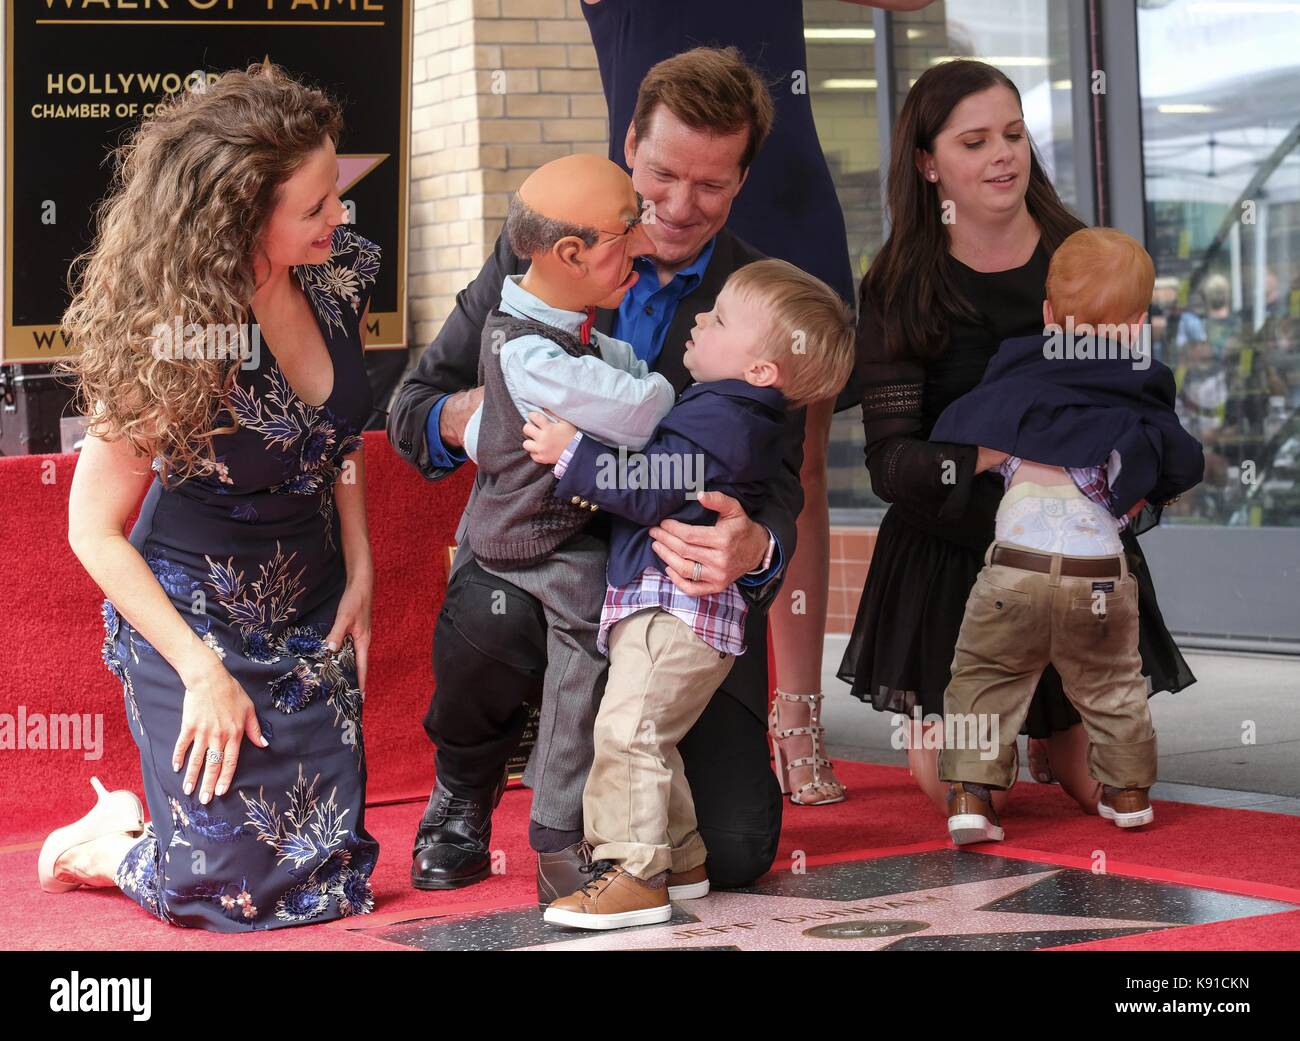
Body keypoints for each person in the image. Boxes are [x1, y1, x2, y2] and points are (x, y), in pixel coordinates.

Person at [388, 47, 800, 901]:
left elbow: (782, 479)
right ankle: (467, 784)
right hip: (534, 547)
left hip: (674, 583)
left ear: (744, 179)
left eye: (712, 185)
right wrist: (472, 419)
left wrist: (755, 547)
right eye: (660, 176)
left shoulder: (761, 297)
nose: (680, 207)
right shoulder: (528, 260)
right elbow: (409, 406)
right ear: (628, 146)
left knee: (734, 850)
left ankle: (597, 771)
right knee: (494, 611)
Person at [42, 61, 381, 930]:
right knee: (231, 893)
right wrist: (200, 668)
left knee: (329, 879)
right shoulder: (176, 329)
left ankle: (153, 823)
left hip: (309, 598)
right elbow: (92, 529)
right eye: (313, 207)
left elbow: (336, 441)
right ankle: (109, 841)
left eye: (333, 193)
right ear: (239, 213)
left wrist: (362, 566)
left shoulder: (338, 272)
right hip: (193, 613)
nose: (337, 217)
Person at [839, 58, 1196, 819]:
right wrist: (1006, 452)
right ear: (929, 164)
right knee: (958, 789)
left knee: (1099, 782)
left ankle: (1051, 723)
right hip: (952, 550)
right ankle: (1005, 718)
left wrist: (1130, 481)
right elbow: (891, 463)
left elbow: (1140, 396)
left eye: (1013, 133)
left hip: (1072, 551)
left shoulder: (1079, 252)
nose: (1003, 153)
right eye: (975, 142)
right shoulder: (901, 282)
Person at [581, 0, 876, 805]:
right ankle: (591, 674)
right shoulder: (593, 226)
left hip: (775, 191)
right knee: (621, 417)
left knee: (795, 461)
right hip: (654, 176)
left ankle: (797, 712)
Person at [525, 260, 855, 929]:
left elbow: (652, 483)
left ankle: (634, 871)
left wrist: (573, 454)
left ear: (763, 369)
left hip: (673, 609)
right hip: (668, 607)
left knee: (630, 731)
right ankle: (682, 859)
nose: (703, 318)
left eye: (722, 319)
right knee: (657, 736)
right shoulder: (726, 409)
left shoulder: (727, 419)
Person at [437, 153, 675, 898]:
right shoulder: (537, 352)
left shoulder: (559, 335)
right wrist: (665, 385)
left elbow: (488, 437)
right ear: (570, 253)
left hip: (536, 528)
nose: (643, 241)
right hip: (538, 546)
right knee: (592, 658)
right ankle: (557, 838)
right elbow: (642, 408)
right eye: (628, 229)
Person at [929, 228, 1204, 843]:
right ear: (1137, 325)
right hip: (1097, 576)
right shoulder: (1141, 384)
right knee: (1112, 683)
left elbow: (955, 431)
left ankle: (972, 796)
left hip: (1015, 570)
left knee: (984, 678)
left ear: (1049, 315)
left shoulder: (1014, 374)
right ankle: (1130, 791)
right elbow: (1184, 462)